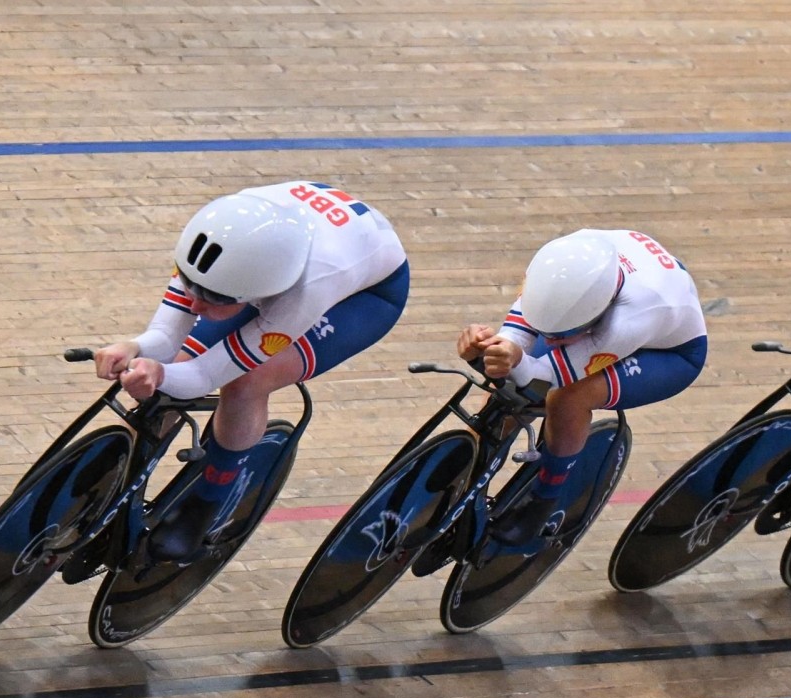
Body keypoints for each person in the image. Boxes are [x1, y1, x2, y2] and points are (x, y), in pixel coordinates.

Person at [94, 181, 409, 561]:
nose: (195, 302)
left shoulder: (307, 290)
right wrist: (134, 348)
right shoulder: (218, 240)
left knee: (245, 382)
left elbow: (206, 376)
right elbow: (165, 336)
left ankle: (208, 501)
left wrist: (157, 375)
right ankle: (121, 478)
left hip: (363, 297)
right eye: (191, 284)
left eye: (211, 297)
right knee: (175, 362)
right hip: (295, 249)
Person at [457, 229, 708, 545]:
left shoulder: (627, 321)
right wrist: (493, 346)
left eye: (560, 336)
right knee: (508, 391)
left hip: (670, 354)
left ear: (595, 318)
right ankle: (465, 476)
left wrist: (507, 360)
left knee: (566, 399)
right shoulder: (559, 263)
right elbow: (518, 336)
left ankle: (544, 499)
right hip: (636, 291)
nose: (549, 341)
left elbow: (542, 376)